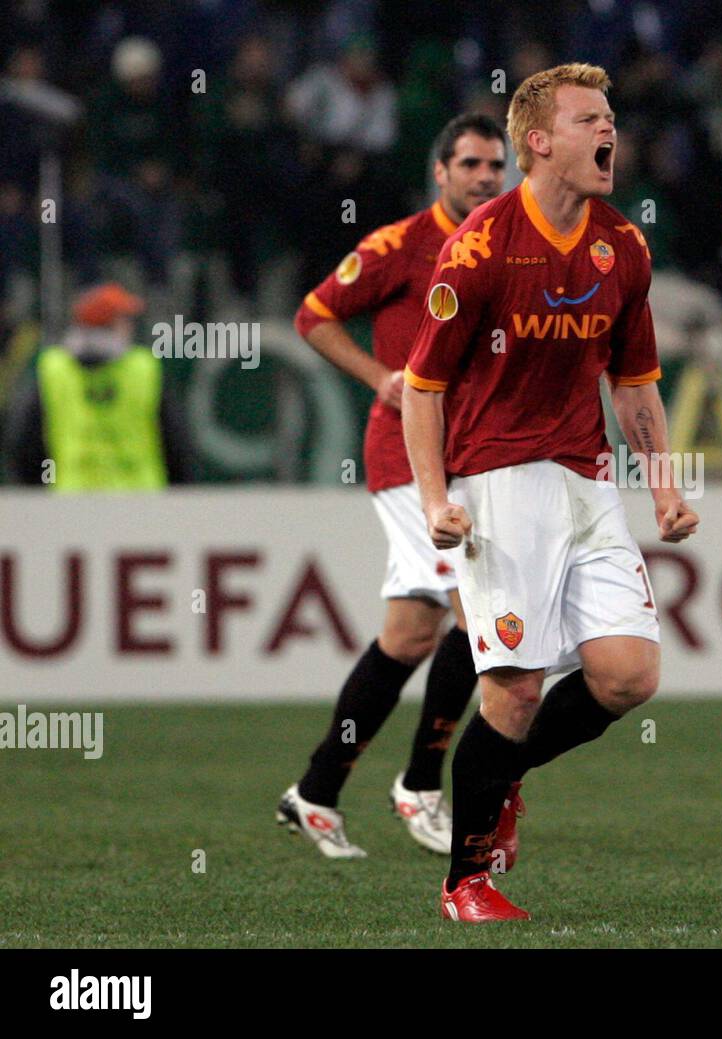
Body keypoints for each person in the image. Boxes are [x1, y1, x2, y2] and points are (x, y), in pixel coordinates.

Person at [403, 63, 699, 923]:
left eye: (611, 117)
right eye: (590, 119)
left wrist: (665, 488)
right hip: (498, 481)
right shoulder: (484, 246)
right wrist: (434, 502)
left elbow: (636, 382)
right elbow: (423, 387)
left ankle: (507, 777)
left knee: (627, 675)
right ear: (540, 141)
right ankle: (465, 882)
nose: (610, 132)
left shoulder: (622, 246)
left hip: (588, 478)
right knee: (516, 688)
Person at [276, 114, 507, 859]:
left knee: (409, 635)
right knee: (481, 613)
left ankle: (315, 791)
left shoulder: (506, 244)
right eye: (470, 163)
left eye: (494, 165)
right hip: (408, 459)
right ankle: (420, 783)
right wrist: (381, 379)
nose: (484, 177)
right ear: (440, 172)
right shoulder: (399, 245)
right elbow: (313, 314)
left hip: (470, 452)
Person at [3, 283, 192, 489]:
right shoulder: (144, 369)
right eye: (124, 319)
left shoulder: (52, 371)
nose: (130, 326)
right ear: (114, 325)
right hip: (141, 501)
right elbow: (176, 445)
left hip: (71, 503)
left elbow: (25, 446)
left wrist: (41, 493)